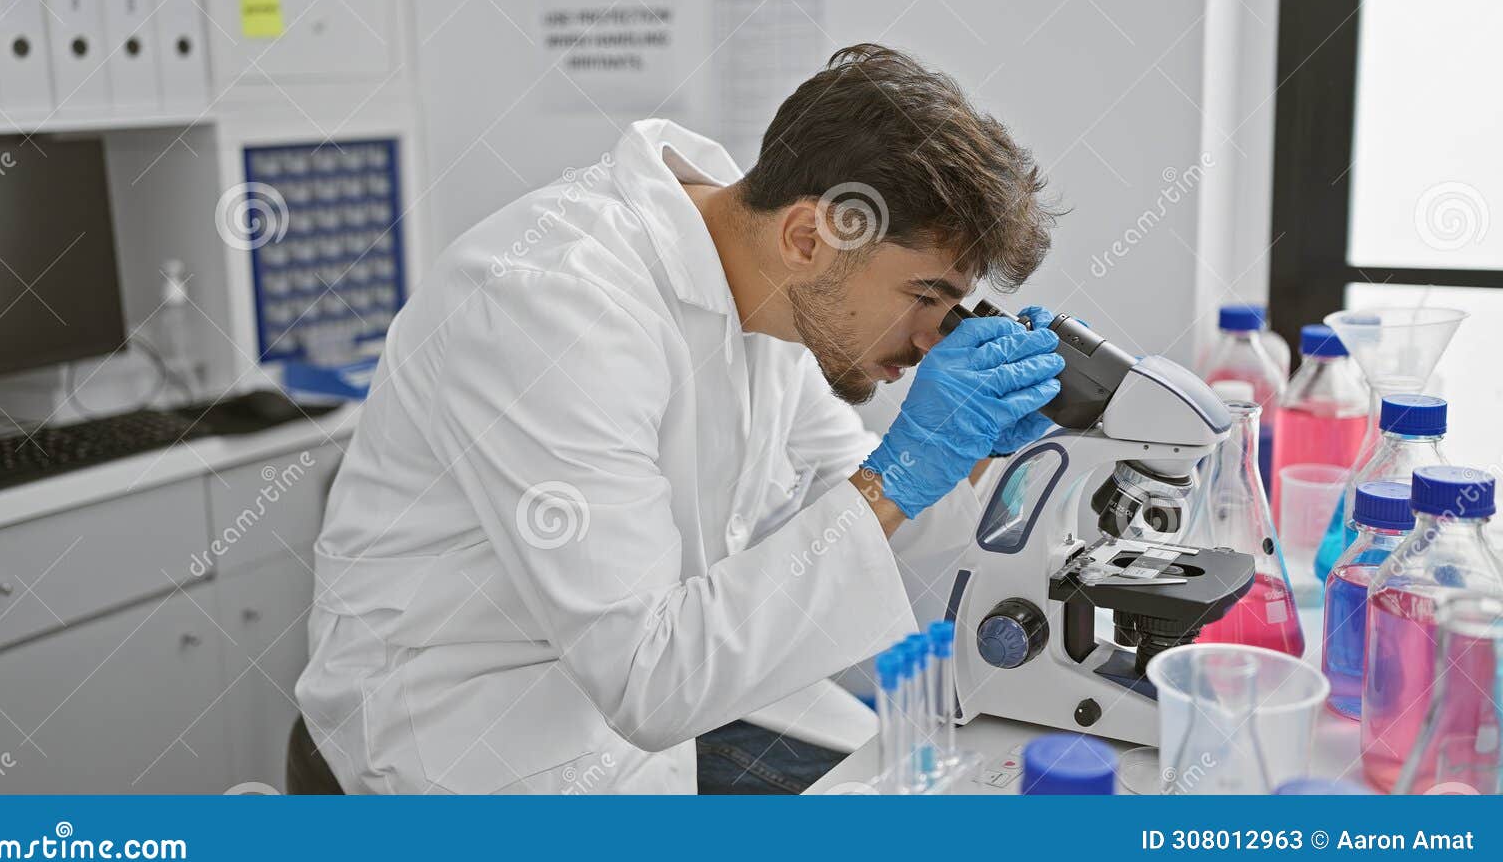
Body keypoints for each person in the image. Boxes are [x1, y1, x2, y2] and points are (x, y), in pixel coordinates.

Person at [293, 44, 1064, 794]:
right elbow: (649, 679)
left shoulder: (768, 285)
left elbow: (845, 493)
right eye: (924, 297)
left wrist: (969, 454)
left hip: (655, 705)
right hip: (467, 738)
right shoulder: (550, 304)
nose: (934, 339)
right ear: (809, 236)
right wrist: (904, 468)